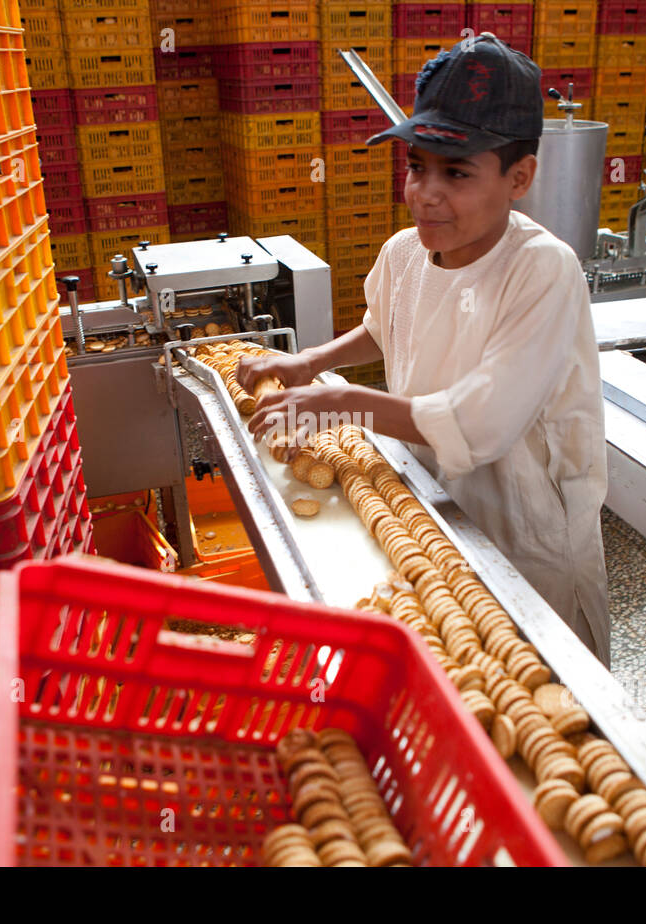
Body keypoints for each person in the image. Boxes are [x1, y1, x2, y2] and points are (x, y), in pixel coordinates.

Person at [238, 34, 611, 666]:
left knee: (538, 688)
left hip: (523, 530)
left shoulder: (542, 269)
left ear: (520, 177)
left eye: (457, 172)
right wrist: (308, 363)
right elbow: (389, 325)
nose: (426, 193)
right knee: (450, 675)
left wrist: (342, 400)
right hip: (430, 500)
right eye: (417, 166)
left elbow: (483, 423)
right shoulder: (406, 252)